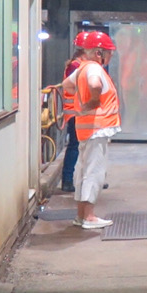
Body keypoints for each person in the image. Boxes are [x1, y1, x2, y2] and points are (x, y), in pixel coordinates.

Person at [71, 30, 120, 230]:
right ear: (99, 53)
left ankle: (81, 215)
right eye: (109, 53)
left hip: (85, 129)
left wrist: (79, 105)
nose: (110, 58)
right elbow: (94, 85)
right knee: (94, 172)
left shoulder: (81, 68)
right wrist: (92, 101)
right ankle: (89, 217)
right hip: (97, 129)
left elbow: (66, 85)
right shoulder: (94, 69)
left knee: (82, 172)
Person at [60, 47, 84, 192]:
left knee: (80, 147)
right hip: (75, 113)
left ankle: (84, 179)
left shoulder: (77, 66)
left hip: (79, 112)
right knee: (75, 146)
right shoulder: (75, 66)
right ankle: (67, 180)